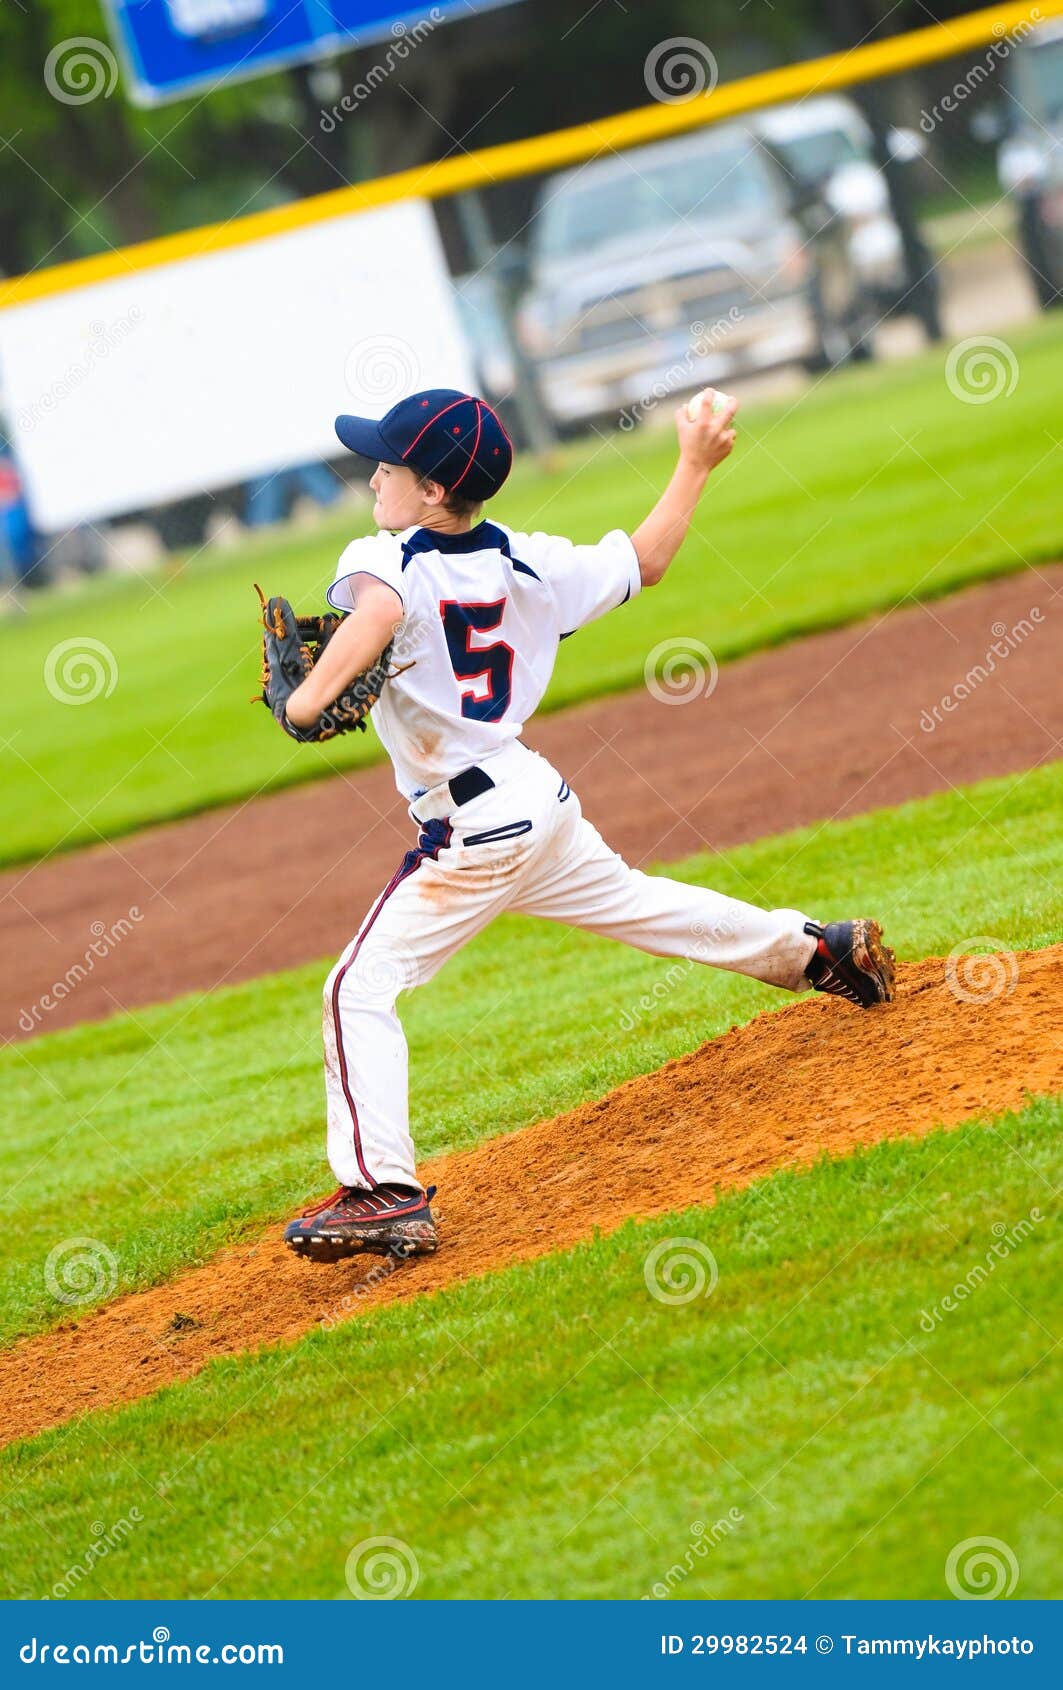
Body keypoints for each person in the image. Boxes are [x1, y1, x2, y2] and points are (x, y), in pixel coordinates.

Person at [282, 388, 894, 1263]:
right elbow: (646, 561)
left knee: (356, 988)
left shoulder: (386, 557)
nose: (374, 475)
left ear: (431, 492)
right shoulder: (529, 561)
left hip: (475, 825)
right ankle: (816, 952)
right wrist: (693, 463)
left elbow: (376, 614)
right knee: (638, 904)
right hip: (533, 799)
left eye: (389, 464)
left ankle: (383, 1193)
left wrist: (306, 704)